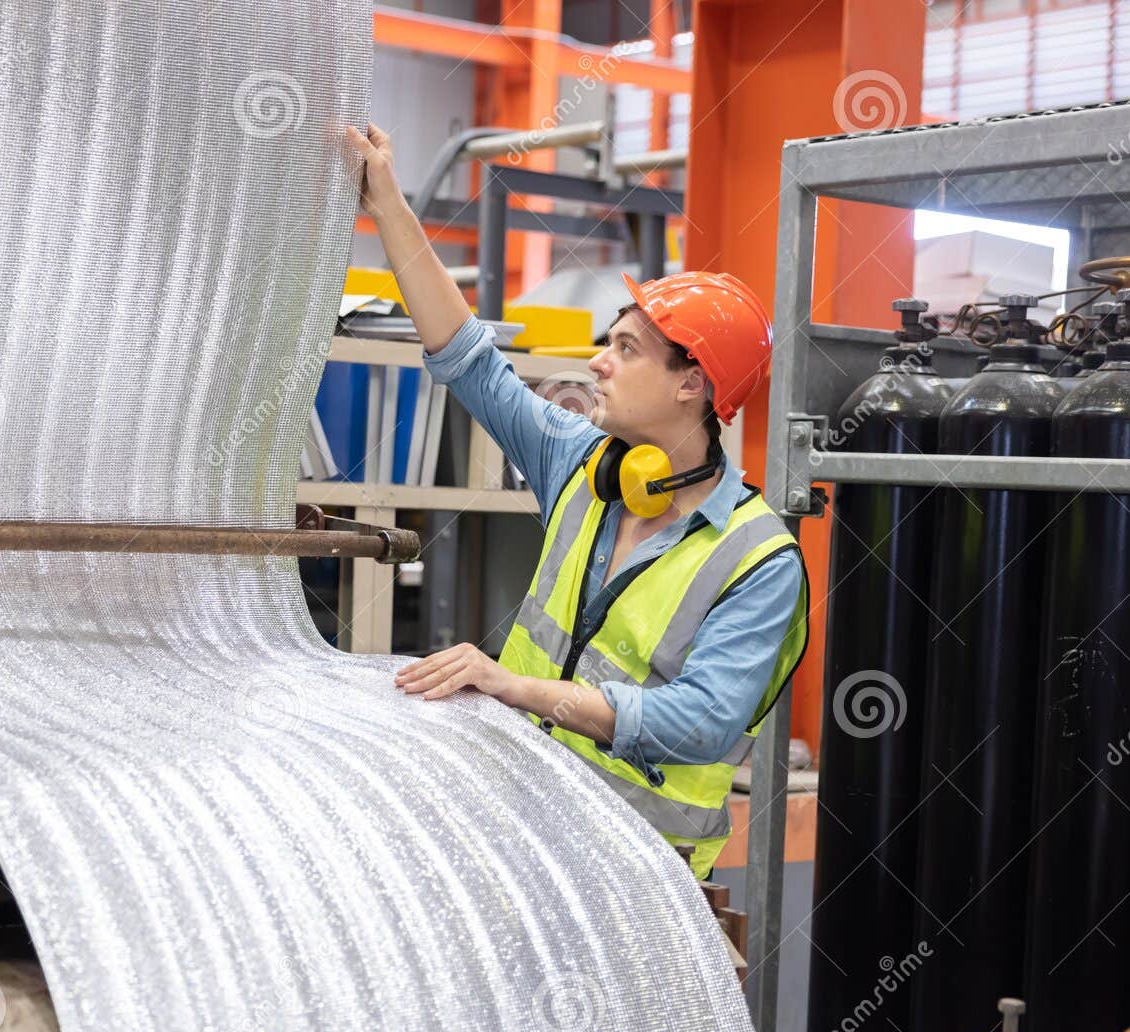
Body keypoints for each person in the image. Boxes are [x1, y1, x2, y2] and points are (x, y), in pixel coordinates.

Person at [346, 124, 808, 878]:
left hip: (638, 875)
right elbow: (471, 364)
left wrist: (510, 684)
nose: (598, 361)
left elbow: (701, 721)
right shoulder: (583, 463)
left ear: (692, 383)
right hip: (519, 832)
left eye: (626, 349)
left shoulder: (758, 561)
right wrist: (388, 204)